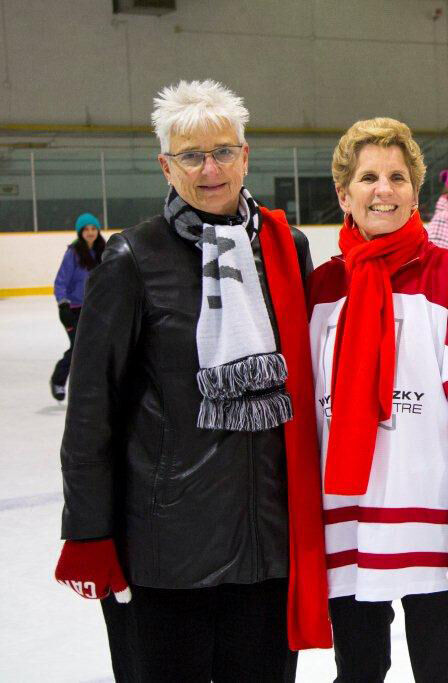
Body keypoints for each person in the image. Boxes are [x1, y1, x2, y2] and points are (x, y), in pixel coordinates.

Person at [53, 79, 331, 682]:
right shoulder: (131, 260)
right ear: (165, 166)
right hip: (164, 554)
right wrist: (87, 533)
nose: (211, 169)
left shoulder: (287, 248)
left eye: (224, 151)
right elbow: (90, 413)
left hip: (268, 546)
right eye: (191, 156)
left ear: (246, 155)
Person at [308, 117, 448, 682]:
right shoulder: (323, 287)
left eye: (398, 177)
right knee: (357, 670)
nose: (384, 189)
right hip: (345, 524)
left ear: (416, 191)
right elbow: (307, 416)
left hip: (433, 525)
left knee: (444, 669)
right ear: (344, 194)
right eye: (369, 176)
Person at [50, 212, 105, 401]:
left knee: (98, 348)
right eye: (86, 229)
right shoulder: (73, 252)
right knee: (77, 348)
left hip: (96, 309)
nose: (90, 233)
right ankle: (58, 381)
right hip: (73, 309)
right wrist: (63, 305)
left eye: (93, 229)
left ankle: (93, 387)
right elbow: (61, 282)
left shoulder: (104, 251)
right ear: (80, 232)